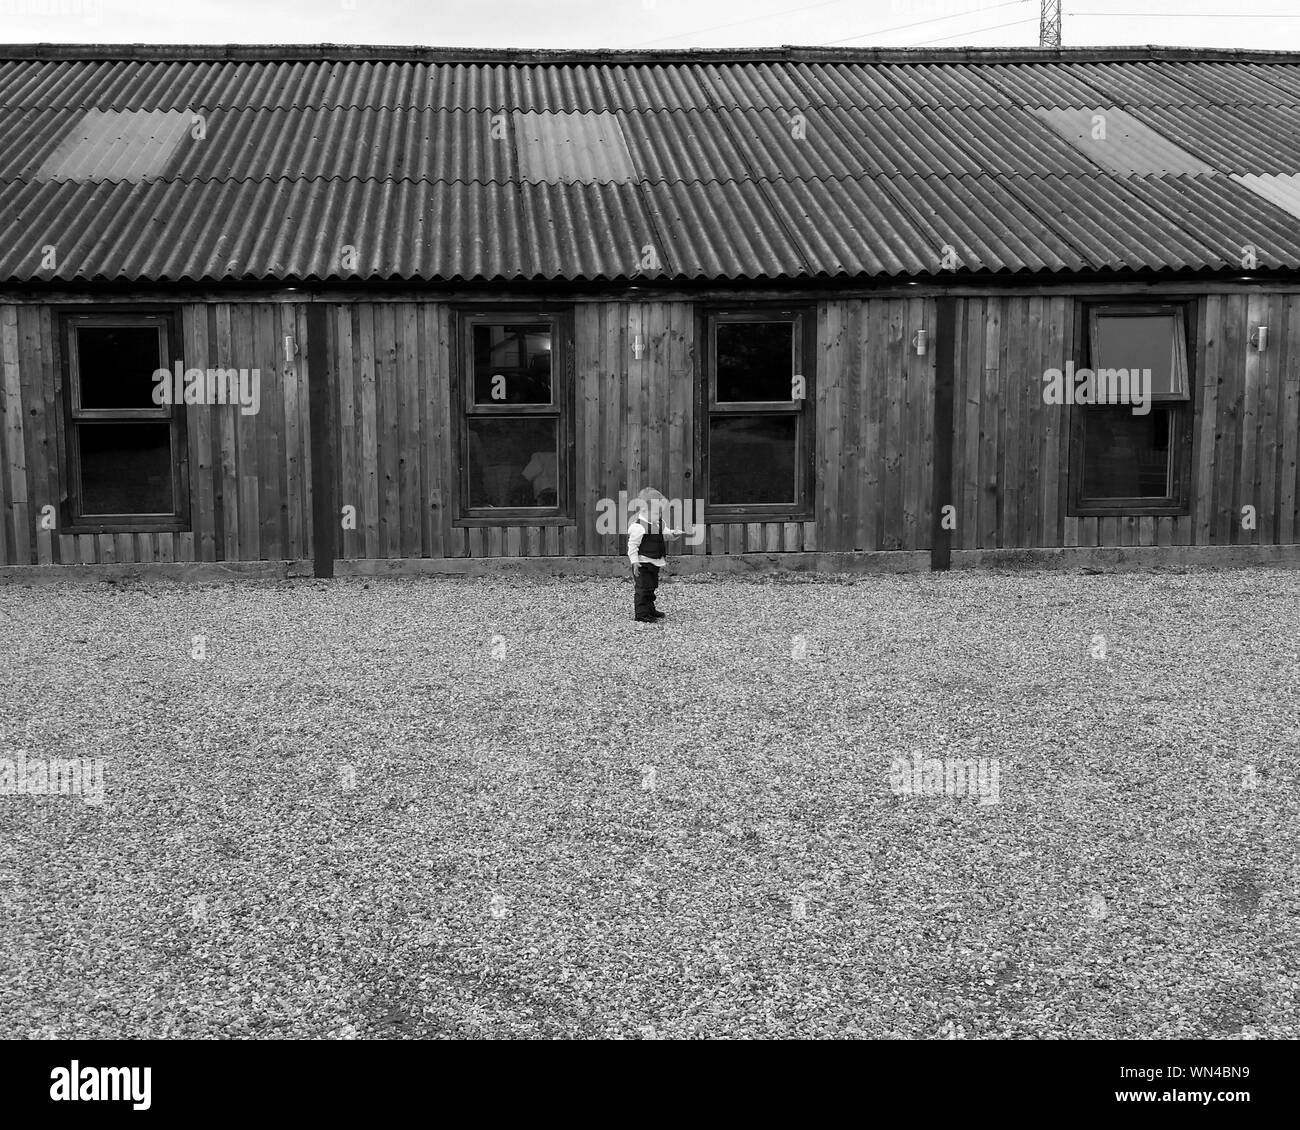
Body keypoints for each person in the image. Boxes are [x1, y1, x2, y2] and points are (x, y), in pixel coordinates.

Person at [627, 487, 685, 623]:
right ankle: (641, 614)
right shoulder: (638, 527)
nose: (659, 515)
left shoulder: (657, 523)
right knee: (642, 588)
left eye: (660, 512)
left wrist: (673, 534)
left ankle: (650, 609)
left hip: (654, 561)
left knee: (651, 586)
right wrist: (634, 562)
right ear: (643, 510)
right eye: (656, 513)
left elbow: (665, 535)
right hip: (642, 563)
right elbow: (632, 546)